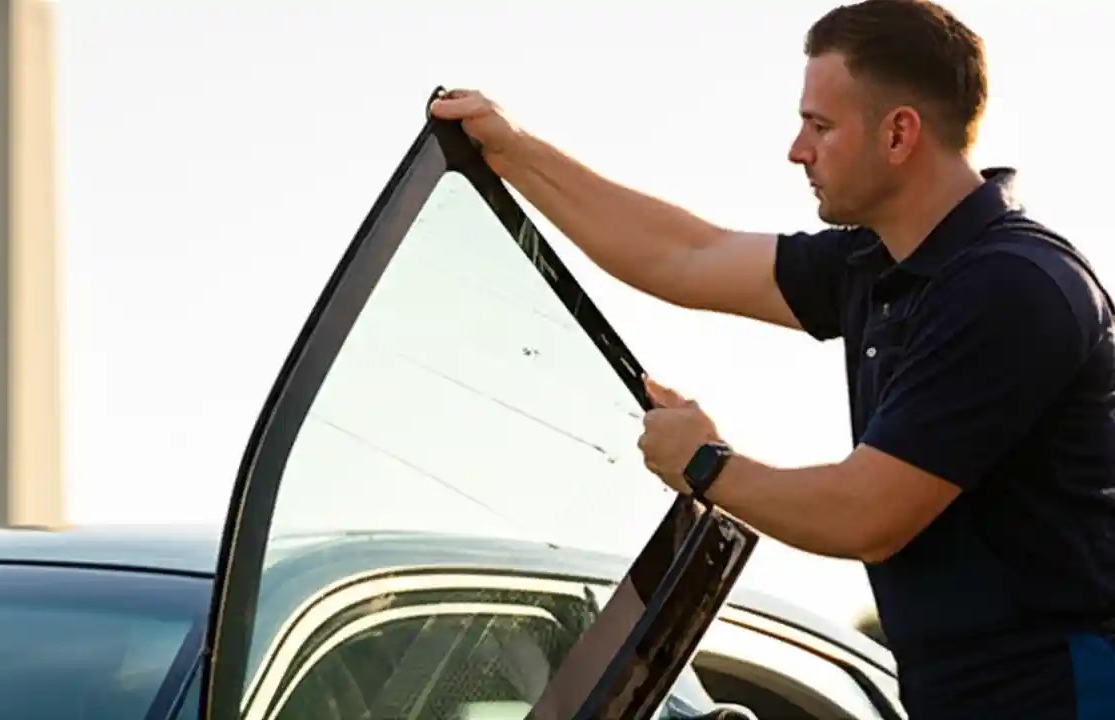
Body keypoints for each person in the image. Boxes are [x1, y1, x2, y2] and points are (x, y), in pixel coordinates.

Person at [429, 1, 1115, 718]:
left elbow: (868, 514)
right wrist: (511, 152)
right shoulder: (877, 263)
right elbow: (688, 256)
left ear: (899, 133)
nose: (797, 148)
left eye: (820, 126)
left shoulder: (1013, 287)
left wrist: (706, 466)